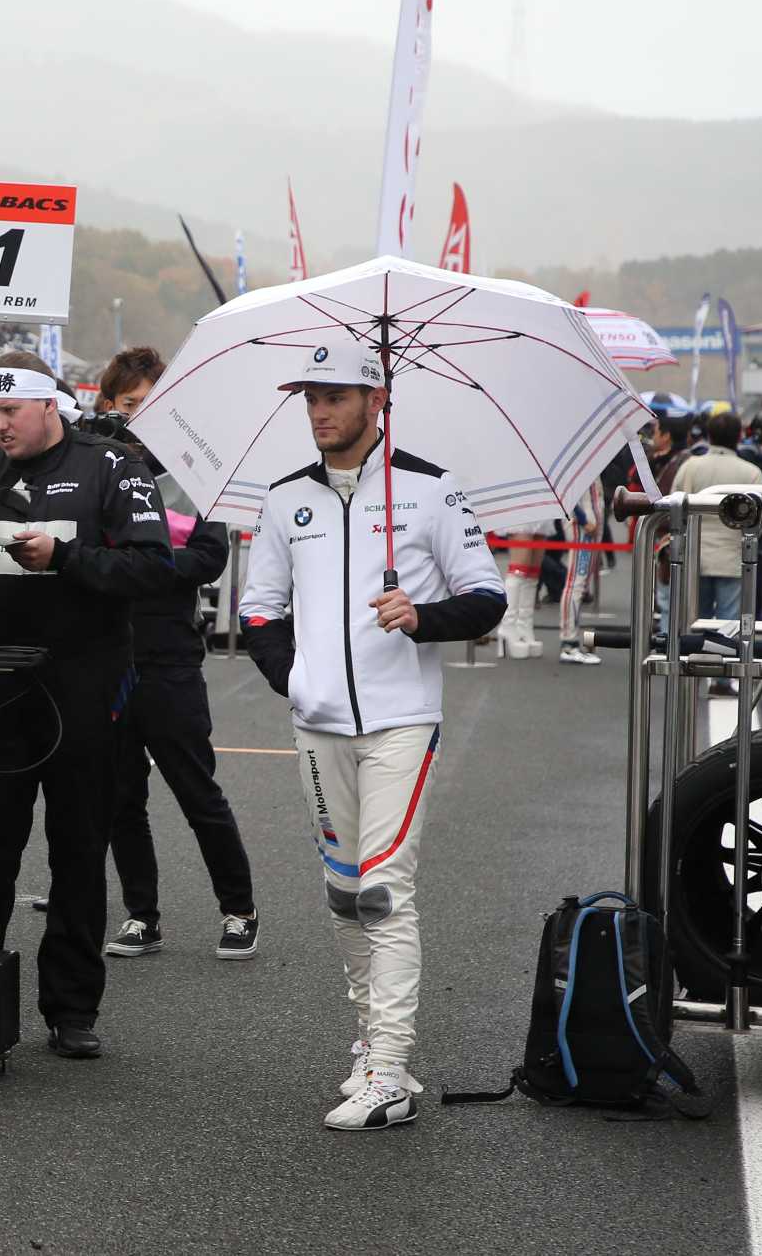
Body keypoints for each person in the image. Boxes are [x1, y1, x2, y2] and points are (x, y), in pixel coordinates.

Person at [238, 345, 506, 1130]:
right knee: (344, 894)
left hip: (401, 723)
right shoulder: (287, 499)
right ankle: (369, 1042)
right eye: (309, 398)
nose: (318, 411)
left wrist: (423, 618)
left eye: (333, 396)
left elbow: (486, 598)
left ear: (374, 399)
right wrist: (296, 679)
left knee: (386, 891)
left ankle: (390, 1068)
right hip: (317, 724)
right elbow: (258, 609)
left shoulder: (431, 489)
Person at [0, 351, 176, 1062]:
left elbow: (154, 566)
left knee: (79, 850)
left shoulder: (111, 465)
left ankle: (71, 1007)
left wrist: (65, 558)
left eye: (10, 411)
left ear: (50, 405)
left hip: (87, 679)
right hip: (2, 680)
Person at [86, 347, 258, 961]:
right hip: (105, 652)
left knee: (195, 788)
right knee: (119, 796)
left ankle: (239, 908)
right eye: (130, 404)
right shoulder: (91, 468)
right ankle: (141, 915)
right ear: (109, 404)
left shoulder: (196, 472)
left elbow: (209, 559)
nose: (140, 415)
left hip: (169, 654)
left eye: (151, 404)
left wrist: (138, 564)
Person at [674, 407, 762, 624]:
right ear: (739, 436)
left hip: (694, 555)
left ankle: (696, 656)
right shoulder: (750, 472)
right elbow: (761, 519)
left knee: (695, 621)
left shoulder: (690, 467)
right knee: (729, 624)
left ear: (709, 435)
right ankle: (725, 656)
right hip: (733, 556)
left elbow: (675, 507)